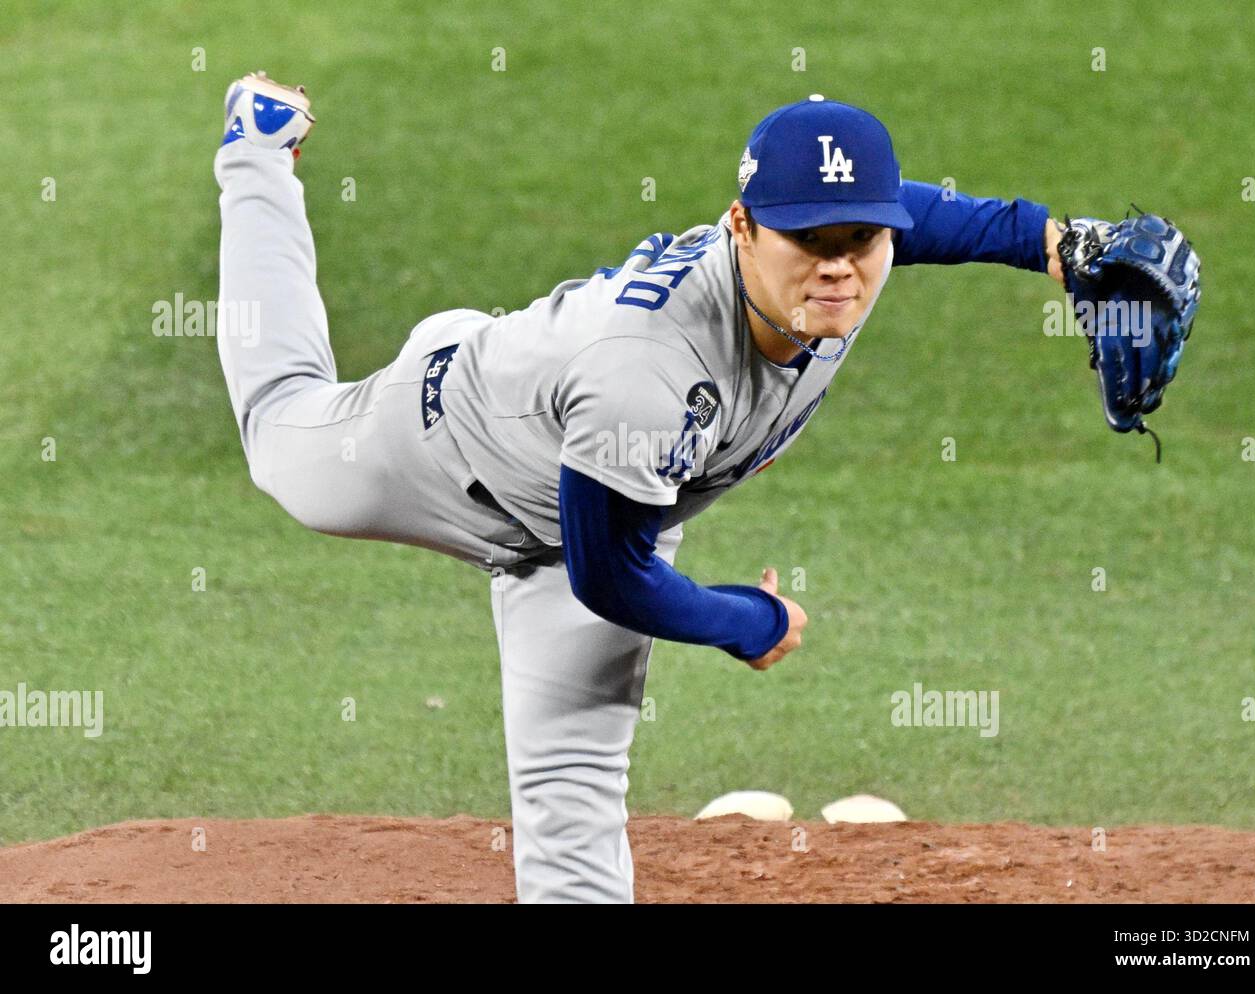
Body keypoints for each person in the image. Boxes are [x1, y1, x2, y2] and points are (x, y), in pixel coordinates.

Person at [215, 73, 1066, 903]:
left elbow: (926, 214)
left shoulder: (832, 277)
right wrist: (749, 620)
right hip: (439, 441)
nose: (838, 268)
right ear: (743, 226)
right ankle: (256, 148)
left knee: (574, 812)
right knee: (280, 434)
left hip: (596, 478)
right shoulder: (650, 373)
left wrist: (1065, 247)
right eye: (808, 241)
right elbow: (611, 575)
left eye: (861, 240)